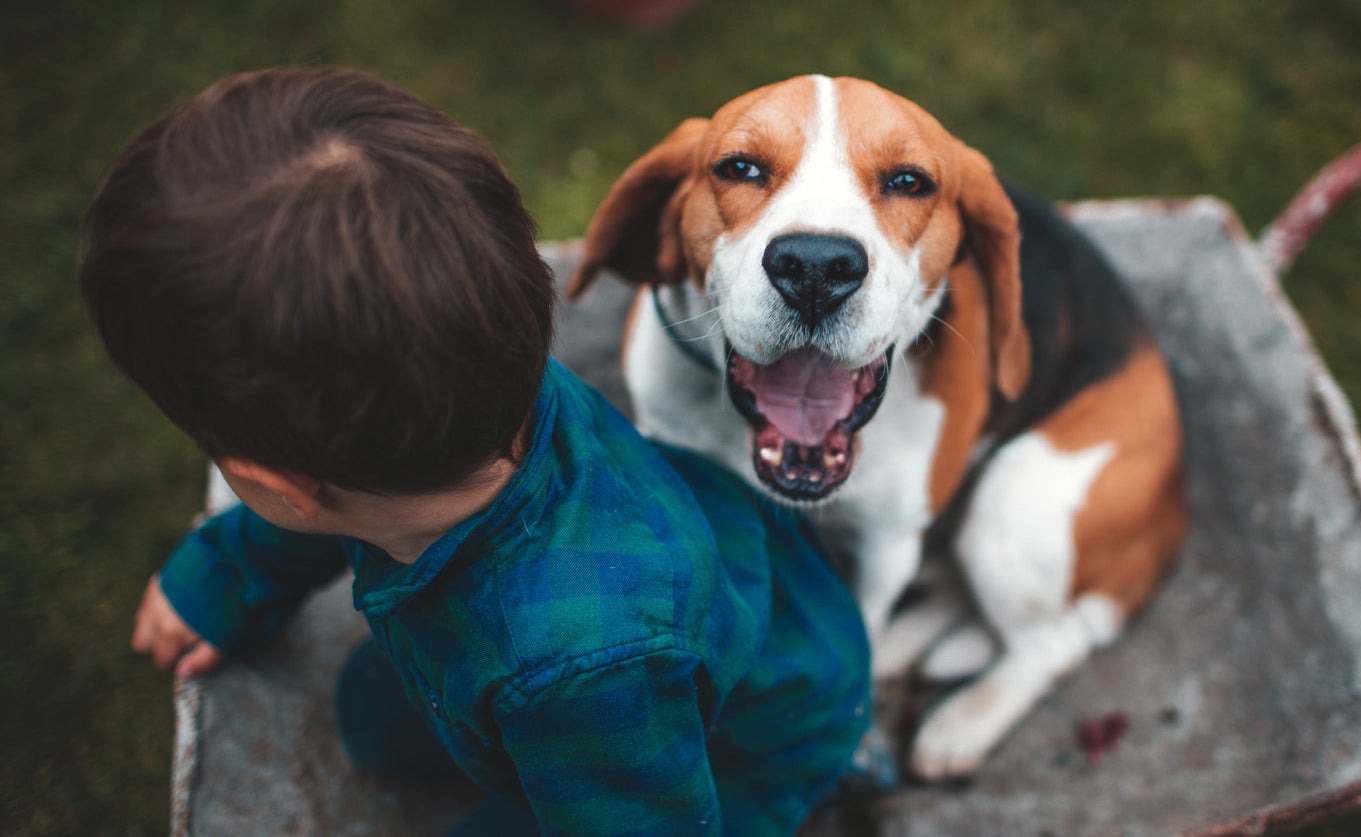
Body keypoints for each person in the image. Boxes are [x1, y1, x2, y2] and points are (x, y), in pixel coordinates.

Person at [81, 66, 870, 835]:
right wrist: (227, 575)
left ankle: (832, 778)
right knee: (372, 720)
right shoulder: (461, 360)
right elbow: (323, 501)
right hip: (661, 624)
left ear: (275, 485)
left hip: (751, 733)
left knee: (550, 774)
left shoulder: (582, 668)